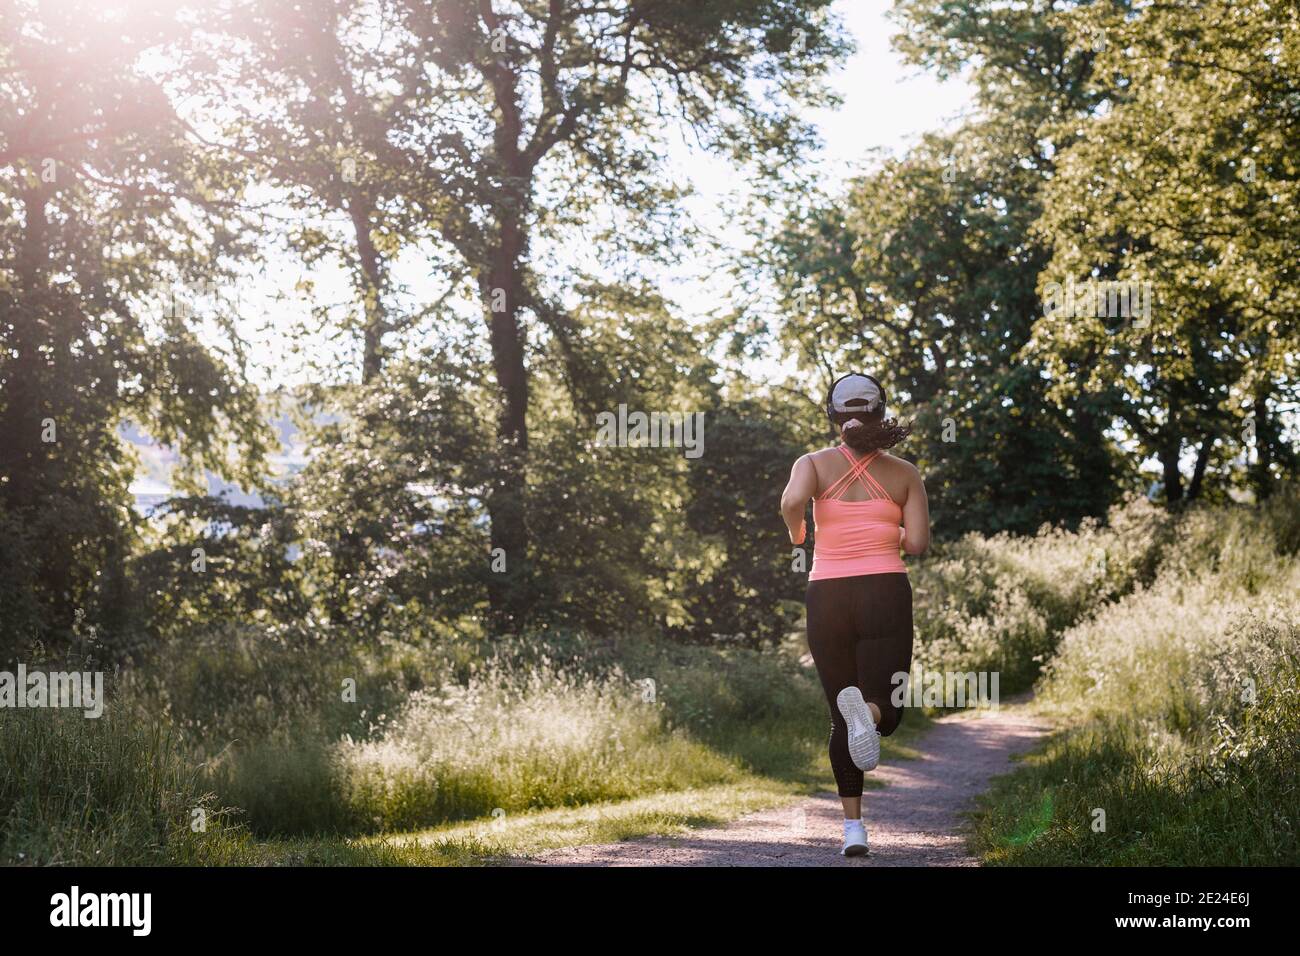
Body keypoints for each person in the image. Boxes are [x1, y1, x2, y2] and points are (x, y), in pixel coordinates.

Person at [780, 372, 930, 857]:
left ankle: (854, 831)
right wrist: (894, 533)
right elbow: (918, 544)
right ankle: (868, 713)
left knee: (836, 720)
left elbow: (790, 502)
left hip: (827, 595)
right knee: (886, 710)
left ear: (834, 415)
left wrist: (798, 532)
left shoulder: (812, 463)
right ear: (880, 414)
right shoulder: (905, 473)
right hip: (884, 590)